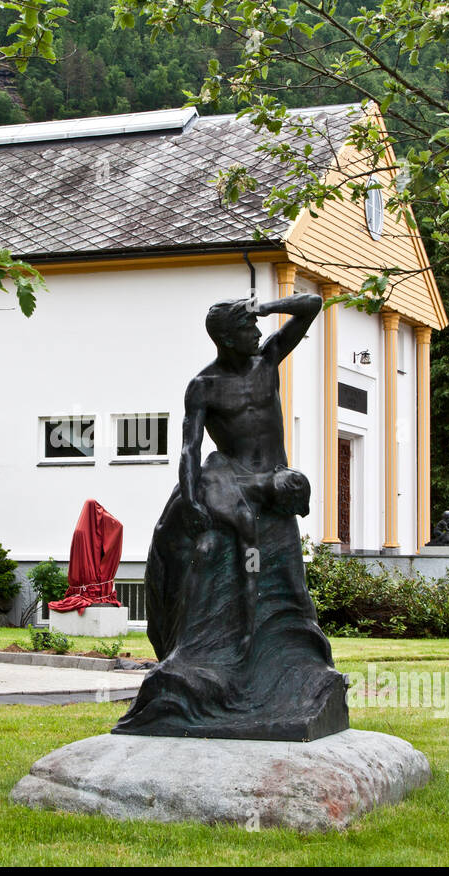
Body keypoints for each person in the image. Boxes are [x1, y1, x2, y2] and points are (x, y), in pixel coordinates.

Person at [115, 293, 348, 741]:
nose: (257, 334)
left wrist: (265, 308)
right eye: (247, 328)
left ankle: (296, 668)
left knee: (291, 586)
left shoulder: (267, 362)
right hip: (233, 485)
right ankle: (213, 658)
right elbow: (189, 448)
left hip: (274, 490)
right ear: (225, 337)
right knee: (224, 560)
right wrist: (192, 499)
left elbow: (313, 304)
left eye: (256, 326)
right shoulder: (204, 385)